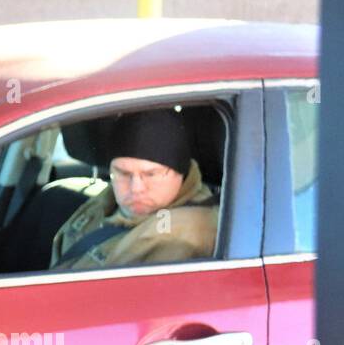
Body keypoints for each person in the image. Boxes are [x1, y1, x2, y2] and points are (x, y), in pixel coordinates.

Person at [49, 108, 218, 271]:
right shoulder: (105, 201)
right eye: (123, 173)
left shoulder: (183, 233)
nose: (136, 188)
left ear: (180, 173)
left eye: (151, 174)